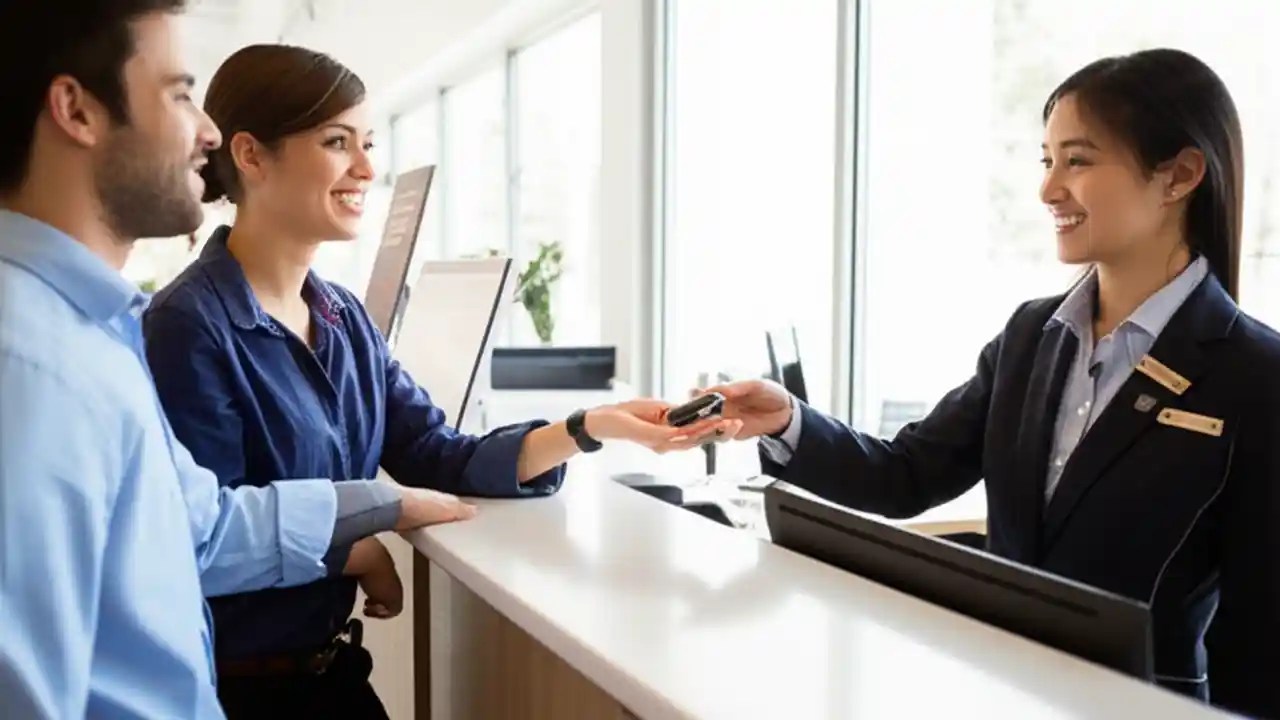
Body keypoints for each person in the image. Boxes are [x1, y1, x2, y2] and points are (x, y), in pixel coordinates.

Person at [142, 44, 739, 718]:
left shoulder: (344, 321)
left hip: (329, 674)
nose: (367, 168)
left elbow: (438, 454)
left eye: (368, 143)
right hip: (240, 693)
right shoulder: (188, 328)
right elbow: (205, 541)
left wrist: (590, 428)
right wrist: (355, 548)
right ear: (250, 156)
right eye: (338, 142)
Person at [704, 49, 1279, 717]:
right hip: (999, 696)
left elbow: (1260, 638)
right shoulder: (1031, 337)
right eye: (1047, 161)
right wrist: (788, 422)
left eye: (1079, 160)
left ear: (1179, 175)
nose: (1048, 189)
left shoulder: (1255, 375)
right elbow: (906, 474)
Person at [0, 3, 494, 719]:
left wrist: (384, 508)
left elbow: (205, 529)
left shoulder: (89, 336)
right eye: (177, 95)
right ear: (76, 110)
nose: (207, 133)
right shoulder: (31, 368)